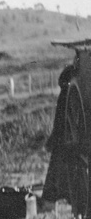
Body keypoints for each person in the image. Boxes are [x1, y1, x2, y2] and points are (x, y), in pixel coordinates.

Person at [42, 63, 78, 204]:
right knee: (61, 170)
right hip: (65, 139)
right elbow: (60, 120)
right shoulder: (65, 95)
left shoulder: (68, 93)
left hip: (68, 139)